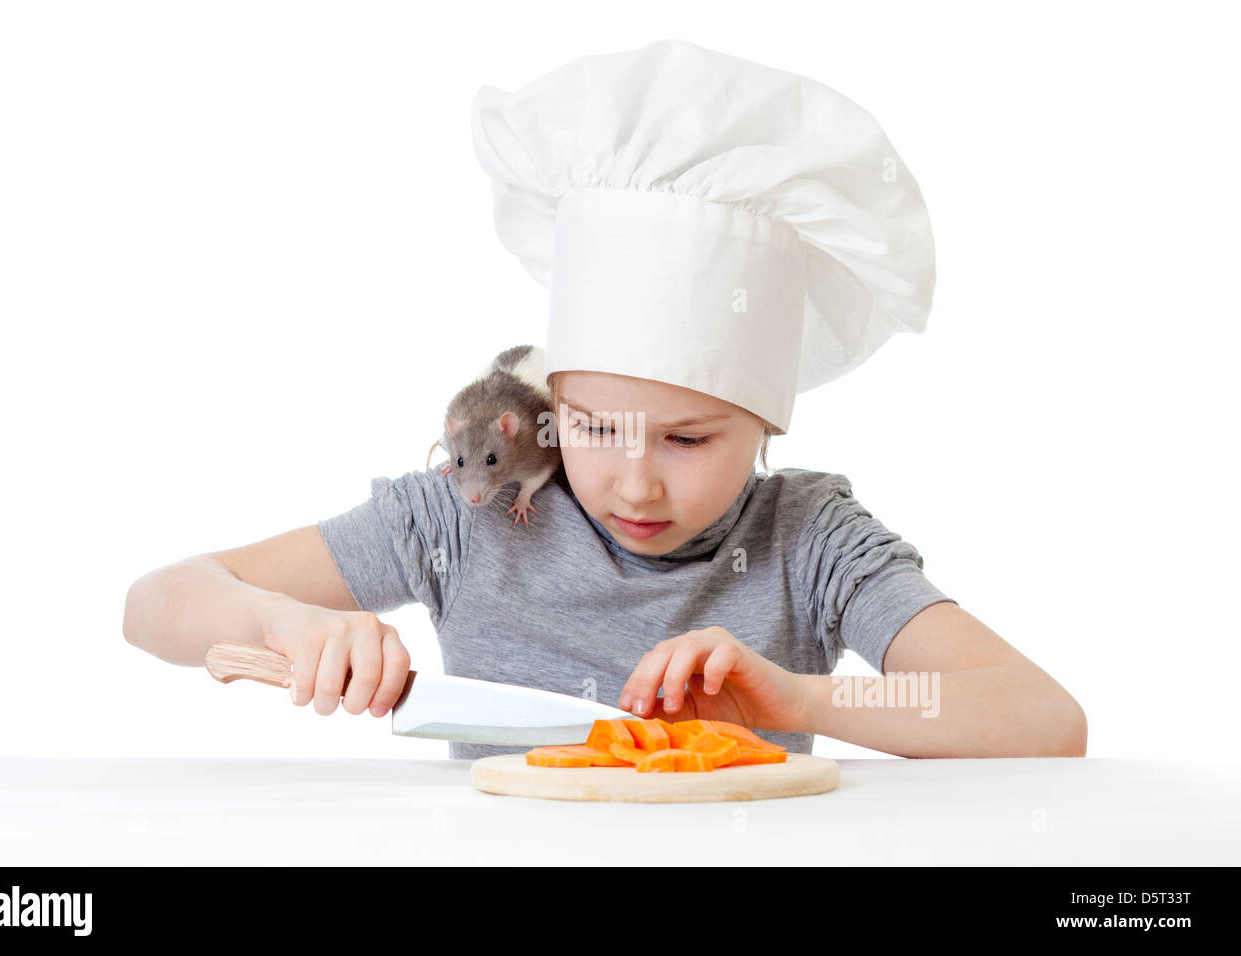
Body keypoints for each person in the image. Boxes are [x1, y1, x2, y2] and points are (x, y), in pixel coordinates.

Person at [123, 39, 1086, 760]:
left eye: (690, 438)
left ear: (765, 422)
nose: (636, 482)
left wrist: (795, 700)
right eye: (591, 426)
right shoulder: (467, 518)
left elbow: (1045, 718)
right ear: (546, 410)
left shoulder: (811, 542)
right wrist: (280, 624)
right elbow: (156, 602)